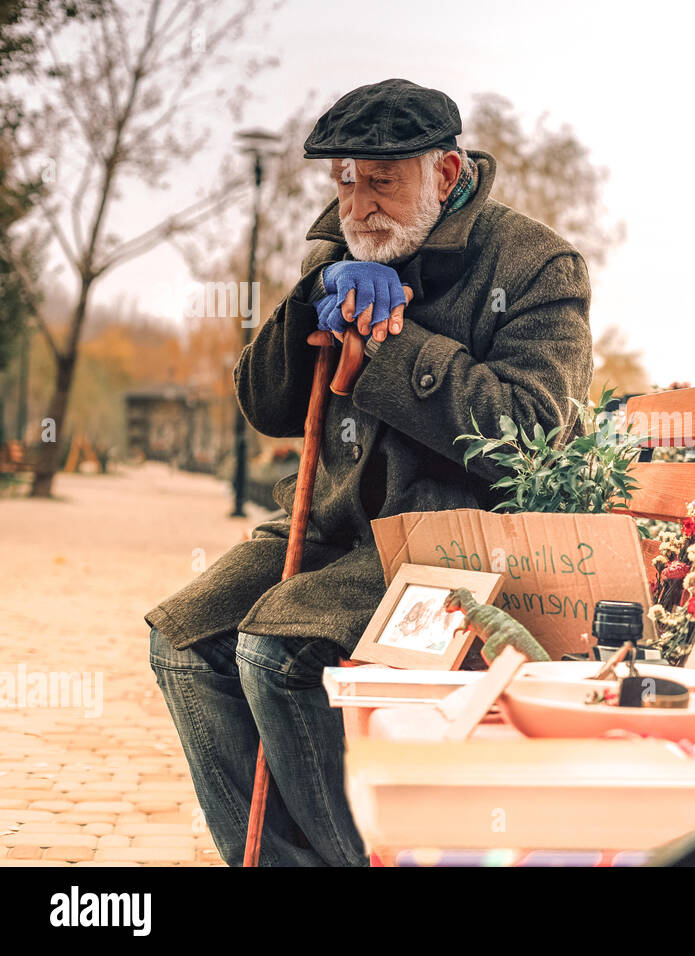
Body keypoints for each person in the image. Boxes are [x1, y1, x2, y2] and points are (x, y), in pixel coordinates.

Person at [146, 79, 594, 866]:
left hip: (450, 542)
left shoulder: (534, 266)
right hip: (326, 529)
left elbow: (530, 432)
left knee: (277, 655)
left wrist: (392, 346)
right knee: (185, 643)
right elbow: (268, 407)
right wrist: (312, 300)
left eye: (383, 178)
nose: (359, 204)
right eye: (345, 180)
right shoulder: (338, 254)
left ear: (447, 174)